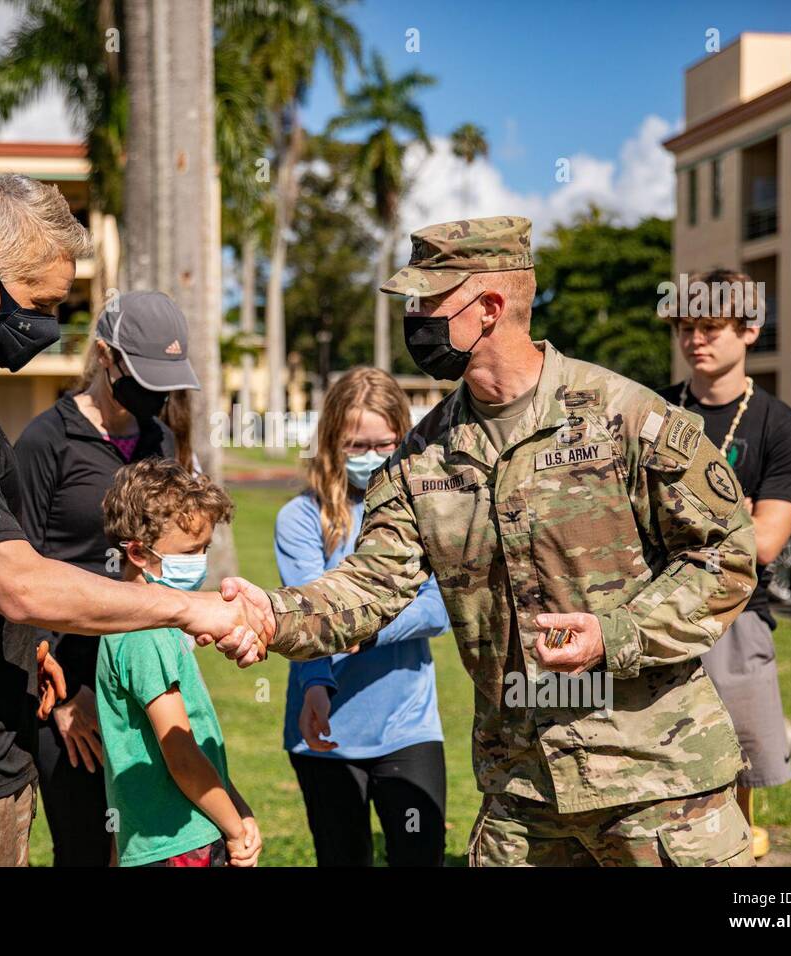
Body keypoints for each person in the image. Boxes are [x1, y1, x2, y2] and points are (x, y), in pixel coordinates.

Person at [209, 216, 760, 867]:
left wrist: (617, 634)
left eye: (426, 304)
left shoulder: (627, 417)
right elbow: (371, 583)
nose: (414, 321)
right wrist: (271, 614)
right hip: (522, 794)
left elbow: (725, 554)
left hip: (659, 786)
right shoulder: (419, 458)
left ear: (490, 308)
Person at [0, 174, 264, 867]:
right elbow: (20, 580)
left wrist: (29, 646)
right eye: (39, 305)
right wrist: (183, 609)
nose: (45, 326)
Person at [12, 291, 194, 866]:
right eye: (144, 375)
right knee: (87, 849)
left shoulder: (158, 440)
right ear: (105, 357)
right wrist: (61, 699)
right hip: (66, 689)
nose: (156, 394)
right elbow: (15, 577)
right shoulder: (48, 441)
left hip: (139, 678)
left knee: (147, 844)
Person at [659, 268, 791, 860]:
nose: (696, 338)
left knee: (737, 761)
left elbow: (766, 543)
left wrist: (683, 516)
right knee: (662, 759)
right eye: (685, 326)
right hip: (653, 608)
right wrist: (730, 515)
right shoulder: (655, 408)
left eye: (711, 326)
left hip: (737, 615)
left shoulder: (781, 426)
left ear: (750, 329)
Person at [276, 367, 450, 866]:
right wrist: (315, 688)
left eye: (385, 444)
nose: (372, 458)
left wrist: (364, 632)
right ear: (332, 441)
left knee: (419, 855)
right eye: (357, 446)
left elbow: (436, 606)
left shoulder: (425, 510)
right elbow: (305, 617)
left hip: (407, 727)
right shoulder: (302, 518)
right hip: (324, 731)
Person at [95, 458, 261, 867]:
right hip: (179, 843)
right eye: (190, 552)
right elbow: (181, 753)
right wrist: (236, 830)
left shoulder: (156, 622)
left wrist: (235, 806)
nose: (200, 561)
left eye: (205, 548)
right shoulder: (144, 634)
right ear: (137, 552)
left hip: (186, 831)